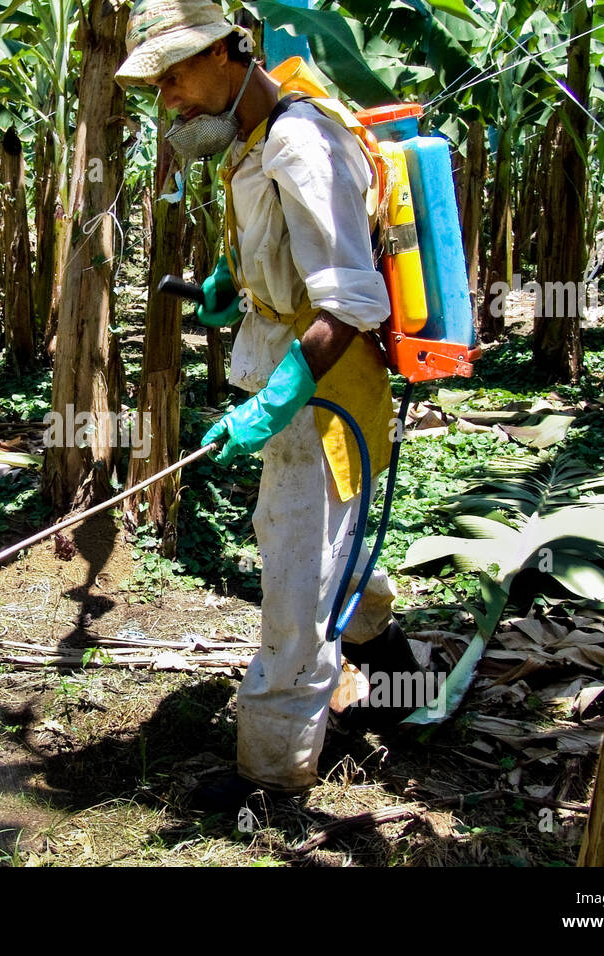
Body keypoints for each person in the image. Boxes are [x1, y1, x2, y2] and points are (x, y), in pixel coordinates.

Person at [115, 0, 425, 808]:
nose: (167, 98)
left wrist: (283, 394)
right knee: (328, 546)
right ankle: (400, 680)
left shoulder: (301, 140)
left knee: (294, 580)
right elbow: (285, 255)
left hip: (324, 398)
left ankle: (272, 780)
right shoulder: (251, 139)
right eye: (157, 84)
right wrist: (234, 288)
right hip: (294, 383)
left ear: (225, 52)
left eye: (174, 74)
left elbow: (353, 300)